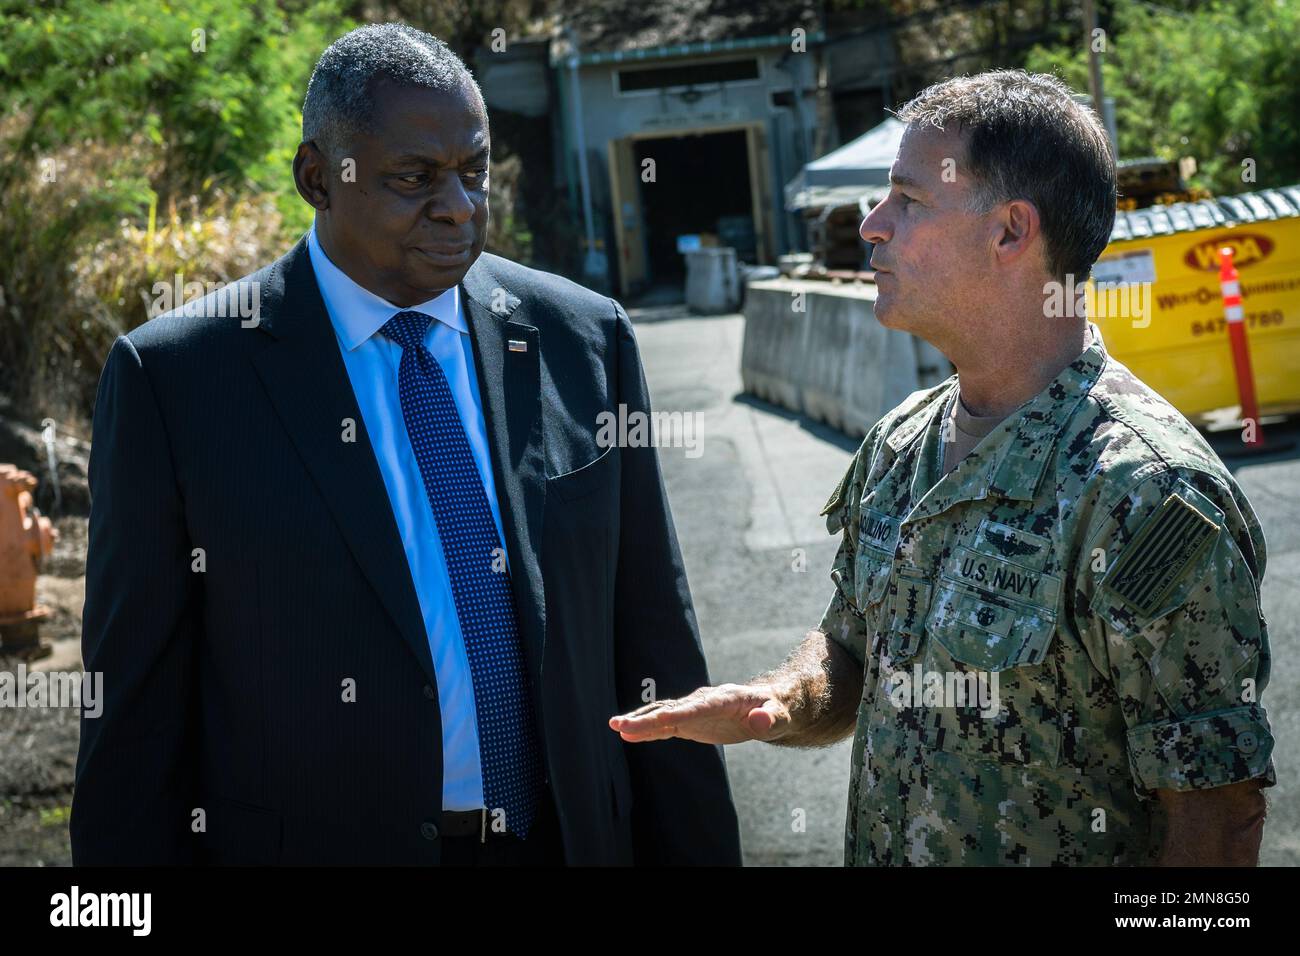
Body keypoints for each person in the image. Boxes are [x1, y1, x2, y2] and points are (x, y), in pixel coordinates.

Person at [71, 22, 741, 866]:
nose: (459, 206)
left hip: (564, 841)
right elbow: (133, 708)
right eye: (415, 178)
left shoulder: (583, 338)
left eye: (474, 171)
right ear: (318, 178)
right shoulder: (179, 380)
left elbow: (655, 638)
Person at [610, 70, 1275, 866]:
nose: (871, 225)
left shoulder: (1146, 493)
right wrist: (781, 702)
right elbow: (853, 652)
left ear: (1009, 232)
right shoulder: (900, 442)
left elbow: (1215, 817)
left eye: (907, 199)